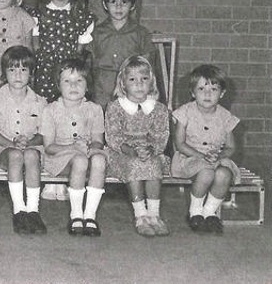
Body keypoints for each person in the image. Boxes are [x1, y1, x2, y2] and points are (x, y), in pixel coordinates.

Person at [40, 58, 107, 237]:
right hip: (59, 158)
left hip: (85, 153)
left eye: (79, 81)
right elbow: (49, 147)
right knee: (79, 160)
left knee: (99, 159)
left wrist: (91, 146)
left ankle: (90, 215)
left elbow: (98, 141)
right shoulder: (50, 110)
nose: (73, 86)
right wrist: (73, 147)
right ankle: (76, 214)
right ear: (58, 85)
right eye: (67, 81)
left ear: (87, 86)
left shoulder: (95, 109)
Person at [105, 55, 170, 237]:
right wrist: (131, 151)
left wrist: (150, 150)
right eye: (132, 79)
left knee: (153, 164)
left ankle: (154, 215)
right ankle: (140, 215)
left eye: (144, 79)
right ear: (123, 84)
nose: (139, 84)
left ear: (152, 82)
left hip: (149, 152)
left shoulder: (159, 109)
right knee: (135, 164)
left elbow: (161, 136)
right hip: (121, 153)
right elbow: (113, 137)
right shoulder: (115, 107)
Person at [171, 64, 241, 235]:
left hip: (215, 158)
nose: (207, 94)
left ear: (222, 93)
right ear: (193, 93)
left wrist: (219, 156)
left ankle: (209, 213)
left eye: (214, 89)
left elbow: (231, 147)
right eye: (201, 88)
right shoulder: (184, 113)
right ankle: (195, 212)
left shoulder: (225, 117)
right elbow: (179, 144)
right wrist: (201, 156)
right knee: (207, 172)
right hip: (189, 157)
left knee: (224, 174)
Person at [0, 45, 47, 234]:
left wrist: (29, 142)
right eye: (12, 70)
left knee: (30, 156)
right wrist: (12, 144)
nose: (18, 75)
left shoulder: (40, 101)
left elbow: (43, 134)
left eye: (23, 70)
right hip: (3, 147)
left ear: (31, 73)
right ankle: (19, 210)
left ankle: (33, 211)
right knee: (15, 155)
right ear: (4, 72)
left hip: (31, 148)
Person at [31, 0, 95, 102]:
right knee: (45, 105)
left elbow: (80, 47)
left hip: (69, 71)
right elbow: (35, 42)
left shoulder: (80, 15)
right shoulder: (39, 13)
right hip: (45, 70)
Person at [90, 0, 159, 108]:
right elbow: (90, 65)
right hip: (102, 91)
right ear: (105, 5)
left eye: (124, 2)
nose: (118, 6)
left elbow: (148, 67)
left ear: (132, 5)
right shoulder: (96, 33)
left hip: (130, 91)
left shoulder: (140, 33)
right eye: (113, 1)